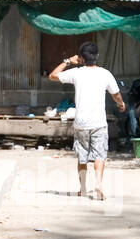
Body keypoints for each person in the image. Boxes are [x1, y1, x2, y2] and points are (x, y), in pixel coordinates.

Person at [49, 41, 126, 200]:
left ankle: (83, 188)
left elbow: (52, 75)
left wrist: (68, 61)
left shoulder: (77, 73)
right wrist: (121, 104)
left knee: (82, 157)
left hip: (81, 123)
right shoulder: (105, 74)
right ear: (97, 56)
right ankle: (98, 183)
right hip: (98, 122)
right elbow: (116, 94)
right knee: (100, 155)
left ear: (81, 58)